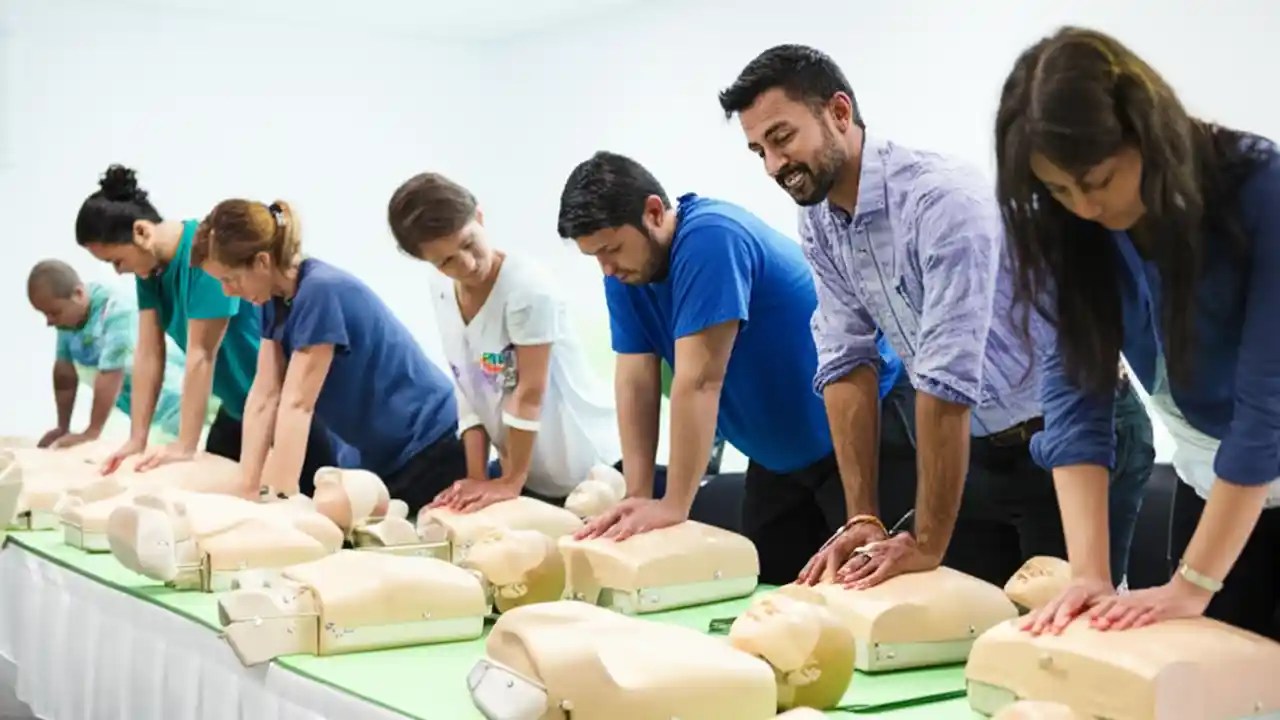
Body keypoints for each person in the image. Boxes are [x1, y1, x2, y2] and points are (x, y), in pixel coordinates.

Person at [718, 44, 1154, 590]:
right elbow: (846, 362)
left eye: (782, 138)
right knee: (961, 631)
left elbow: (946, 382)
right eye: (759, 151)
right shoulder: (822, 223)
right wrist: (863, 518)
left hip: (1075, 433)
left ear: (840, 113)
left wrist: (927, 540)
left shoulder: (940, 200)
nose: (775, 166)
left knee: (1070, 640)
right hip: (980, 453)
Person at [994, 27, 1279, 639]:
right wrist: (1089, 576)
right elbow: (1075, 398)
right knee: (1205, 677)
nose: (1086, 207)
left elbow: (1267, 408)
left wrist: (1195, 583)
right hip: (1216, 481)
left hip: (1261, 444)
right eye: (1059, 190)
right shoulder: (1070, 230)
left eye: (1097, 181)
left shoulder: (1261, 190)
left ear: (1147, 134)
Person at [555, 150, 907, 585]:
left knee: (872, 591)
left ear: (653, 212)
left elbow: (699, 381)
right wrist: (639, 493)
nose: (606, 268)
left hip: (865, 433)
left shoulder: (710, 237)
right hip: (778, 457)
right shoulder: (626, 275)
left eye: (610, 249)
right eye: (595, 257)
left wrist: (674, 503)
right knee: (773, 587)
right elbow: (635, 381)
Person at [74, 164, 338, 491]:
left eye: (116, 261)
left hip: (280, 406)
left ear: (141, 232)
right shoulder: (150, 272)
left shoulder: (206, 256)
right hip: (238, 408)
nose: (117, 272)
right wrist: (137, 439)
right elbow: (147, 353)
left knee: (305, 502)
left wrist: (186, 445)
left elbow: (202, 354)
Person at [193, 198, 465, 512]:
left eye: (230, 279)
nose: (227, 292)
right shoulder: (274, 300)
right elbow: (264, 395)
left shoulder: (321, 293)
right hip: (377, 454)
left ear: (262, 262)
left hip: (429, 443)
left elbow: (297, 405)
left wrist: (281, 499)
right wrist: (248, 486)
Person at [386, 172, 621, 512]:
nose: (466, 264)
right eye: (445, 261)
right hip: (530, 471)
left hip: (588, 469)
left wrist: (511, 480)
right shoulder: (441, 289)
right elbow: (468, 384)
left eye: (468, 243)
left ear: (479, 217)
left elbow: (529, 391)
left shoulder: (526, 289)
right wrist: (478, 477)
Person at [27, 260, 187, 448]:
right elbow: (64, 375)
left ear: (78, 294)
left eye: (54, 313)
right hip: (140, 412)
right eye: (45, 314)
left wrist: (92, 432)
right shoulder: (67, 321)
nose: (49, 322)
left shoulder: (116, 310)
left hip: (175, 401)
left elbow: (111, 373)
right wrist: (63, 427)